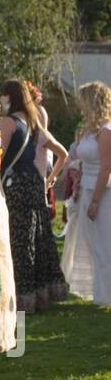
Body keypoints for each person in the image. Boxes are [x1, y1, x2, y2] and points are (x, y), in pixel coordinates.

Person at [0, 79, 67, 312]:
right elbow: (62, 154)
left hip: (15, 184)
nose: (0, 100)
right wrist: (48, 180)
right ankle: (40, 294)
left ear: (10, 96)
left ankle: (21, 297)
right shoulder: (34, 122)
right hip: (34, 184)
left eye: (3, 95)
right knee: (38, 238)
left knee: (18, 240)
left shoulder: (8, 123)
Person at [61, 81, 111, 305]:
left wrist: (96, 201)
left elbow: (106, 167)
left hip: (103, 192)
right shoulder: (88, 130)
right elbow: (78, 158)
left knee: (104, 244)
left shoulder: (106, 131)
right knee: (91, 244)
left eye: (82, 101)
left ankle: (105, 296)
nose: (79, 106)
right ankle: (99, 292)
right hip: (86, 190)